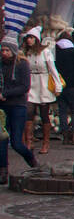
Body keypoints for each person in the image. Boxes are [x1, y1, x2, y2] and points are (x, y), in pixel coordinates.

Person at [1, 35, 39, 183]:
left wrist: (5, 93)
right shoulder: (1, 64)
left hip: (18, 105)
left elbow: (24, 86)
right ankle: (3, 172)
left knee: (16, 142)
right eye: (2, 50)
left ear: (13, 51)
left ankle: (31, 159)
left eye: (7, 50)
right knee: (2, 140)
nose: (4, 53)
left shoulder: (22, 64)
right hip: (2, 107)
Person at [22, 29, 59, 155]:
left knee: (44, 115)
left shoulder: (45, 52)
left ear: (36, 39)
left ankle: (46, 142)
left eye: (31, 38)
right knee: (29, 112)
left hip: (43, 84)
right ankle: (29, 141)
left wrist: (57, 86)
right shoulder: (27, 53)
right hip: (31, 84)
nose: (29, 40)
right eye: (28, 38)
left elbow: (52, 69)